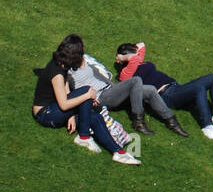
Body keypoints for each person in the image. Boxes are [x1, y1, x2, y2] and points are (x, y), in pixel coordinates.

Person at [32, 34, 141, 164]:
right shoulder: (56, 73)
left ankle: (118, 152)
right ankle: (84, 136)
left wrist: (71, 115)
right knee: (87, 91)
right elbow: (64, 105)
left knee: (94, 117)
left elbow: (66, 87)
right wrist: (87, 96)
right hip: (45, 114)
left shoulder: (61, 63)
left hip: (55, 109)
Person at [115, 42, 213, 143]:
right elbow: (126, 74)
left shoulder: (140, 62)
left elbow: (141, 45)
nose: (136, 55)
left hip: (176, 87)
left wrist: (132, 53)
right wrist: (123, 57)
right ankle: (207, 126)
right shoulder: (126, 73)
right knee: (199, 89)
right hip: (167, 95)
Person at [68, 43, 188, 137]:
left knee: (151, 90)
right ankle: (138, 122)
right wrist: (89, 98)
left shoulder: (86, 61)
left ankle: (172, 122)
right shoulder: (69, 72)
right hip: (101, 97)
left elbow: (141, 45)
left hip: (111, 89)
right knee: (136, 80)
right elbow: (73, 91)